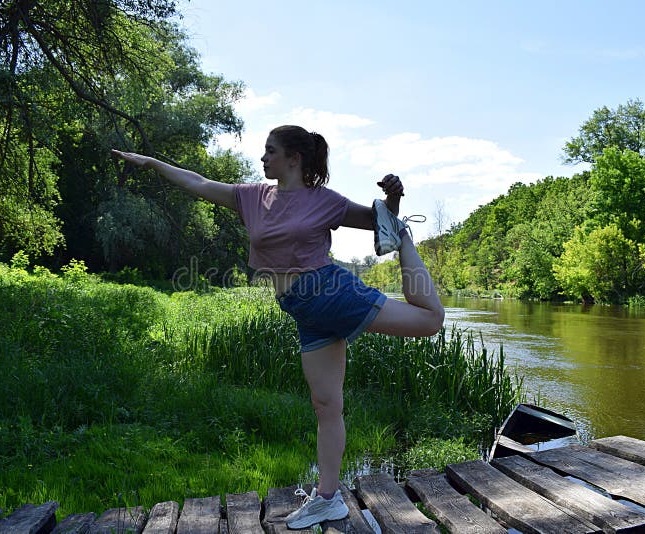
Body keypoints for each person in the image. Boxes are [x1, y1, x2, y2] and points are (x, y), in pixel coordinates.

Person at [111, 124, 445, 529]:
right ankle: (328, 498)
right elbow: (198, 183)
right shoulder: (251, 196)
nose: (263, 158)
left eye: (270, 151)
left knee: (430, 320)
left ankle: (408, 242)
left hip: (329, 291)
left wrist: (393, 201)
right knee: (326, 404)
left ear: (294, 158)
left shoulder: (325, 201)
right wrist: (151, 163)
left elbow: (379, 220)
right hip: (303, 310)